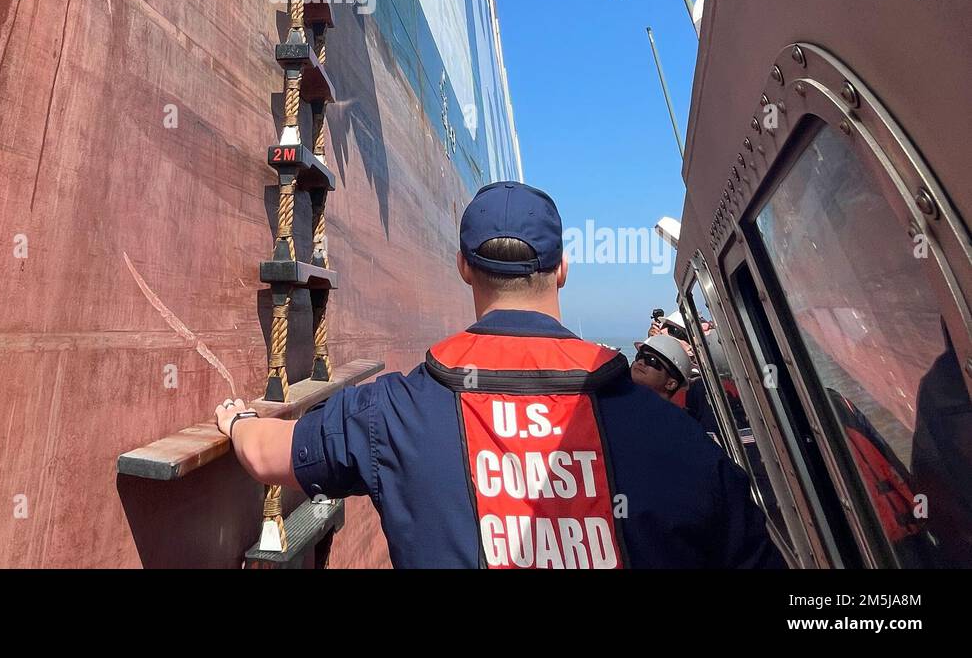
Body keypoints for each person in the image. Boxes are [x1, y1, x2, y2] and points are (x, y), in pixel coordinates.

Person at [214, 181, 784, 569]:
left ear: (464, 266)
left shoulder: (391, 412)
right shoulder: (681, 441)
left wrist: (238, 420)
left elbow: (270, 458)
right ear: (562, 269)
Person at [630, 335, 693, 409]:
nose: (640, 362)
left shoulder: (671, 419)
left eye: (651, 360)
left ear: (671, 384)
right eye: (639, 356)